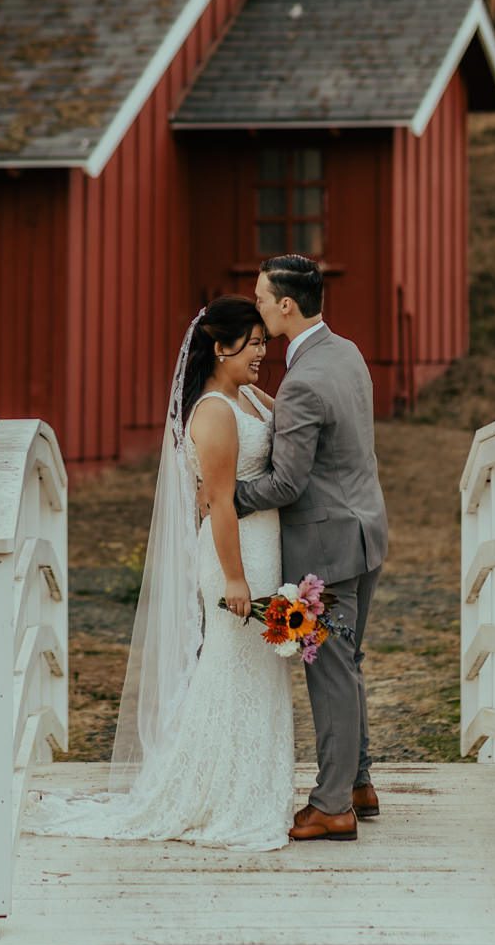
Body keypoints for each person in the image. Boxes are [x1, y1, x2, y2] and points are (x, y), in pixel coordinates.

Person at [24, 296, 296, 851]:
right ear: (220, 347)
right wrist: (236, 578)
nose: (263, 352)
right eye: (254, 342)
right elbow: (220, 502)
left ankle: (250, 786)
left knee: (259, 674)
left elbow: (289, 416)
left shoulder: (246, 395)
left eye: (264, 341)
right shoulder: (215, 412)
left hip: (264, 546)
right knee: (231, 670)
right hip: (235, 554)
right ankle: (217, 794)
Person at [237, 254, 389, 842]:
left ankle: (332, 806)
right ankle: (358, 782)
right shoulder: (345, 353)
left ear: (285, 306)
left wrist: (224, 496)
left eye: (260, 299)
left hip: (324, 546)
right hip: (364, 529)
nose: (257, 308)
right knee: (346, 664)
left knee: (329, 670)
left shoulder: (300, 382)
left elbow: (285, 484)